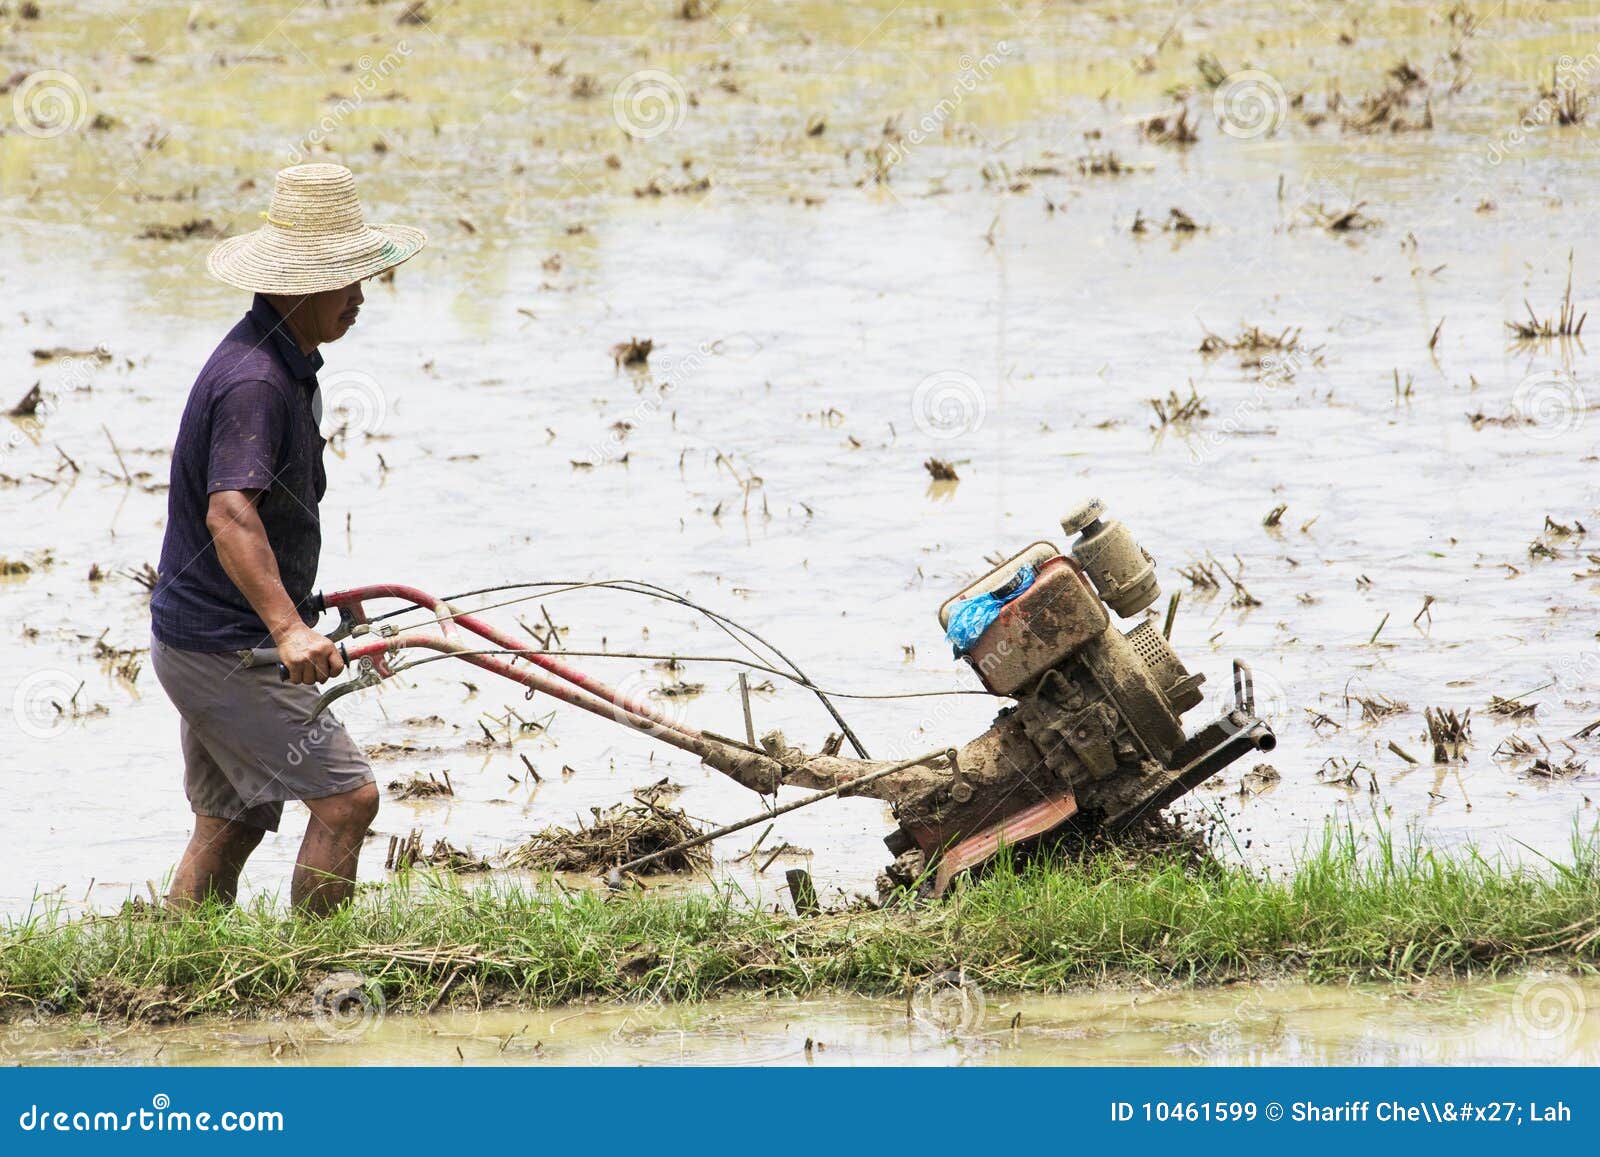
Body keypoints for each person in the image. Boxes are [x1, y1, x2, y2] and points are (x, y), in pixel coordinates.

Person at [149, 163, 426, 915]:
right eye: (347, 281)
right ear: (299, 284)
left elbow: (264, 516)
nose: (361, 296)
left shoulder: (281, 361)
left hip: (199, 638)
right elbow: (230, 513)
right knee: (348, 799)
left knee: (233, 816)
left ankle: (178, 963)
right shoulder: (256, 382)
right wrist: (288, 628)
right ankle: (316, 970)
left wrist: (311, 605)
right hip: (226, 647)